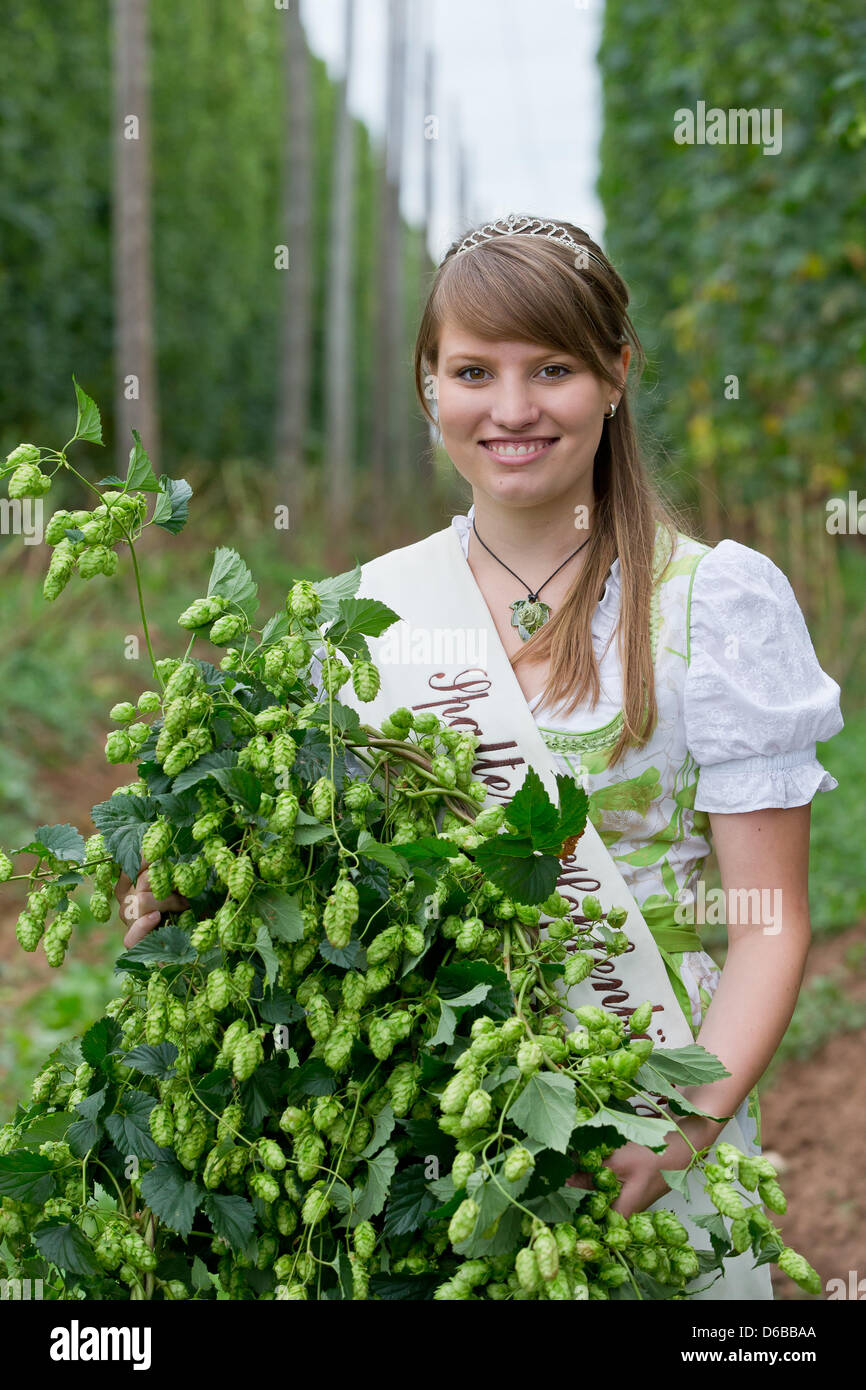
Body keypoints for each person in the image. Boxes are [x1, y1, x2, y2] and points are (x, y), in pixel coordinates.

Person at [118, 215, 844, 1297]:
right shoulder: (357, 615)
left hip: (640, 1096)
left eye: (550, 368)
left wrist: (680, 1130)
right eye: (472, 370)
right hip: (419, 1120)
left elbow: (766, 921)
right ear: (428, 385)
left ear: (615, 376)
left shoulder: (713, 604)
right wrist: (190, 892)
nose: (509, 409)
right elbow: (311, 870)